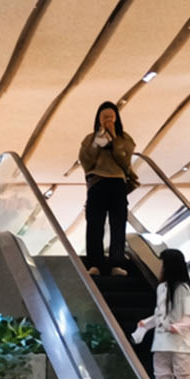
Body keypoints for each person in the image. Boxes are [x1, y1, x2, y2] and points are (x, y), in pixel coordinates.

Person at [130, 248, 190, 379]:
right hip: (162, 344)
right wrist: (146, 324)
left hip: (181, 345)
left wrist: (177, 327)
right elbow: (160, 314)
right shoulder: (162, 288)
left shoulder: (184, 289)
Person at [77, 100, 135, 277]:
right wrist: (99, 139)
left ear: (116, 118)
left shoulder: (125, 139)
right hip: (97, 183)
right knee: (95, 224)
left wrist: (114, 139)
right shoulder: (90, 139)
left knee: (118, 224)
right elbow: (86, 161)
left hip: (117, 183)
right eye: (105, 117)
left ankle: (116, 263)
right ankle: (95, 263)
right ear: (98, 119)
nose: (108, 120)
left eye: (111, 116)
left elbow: (125, 161)